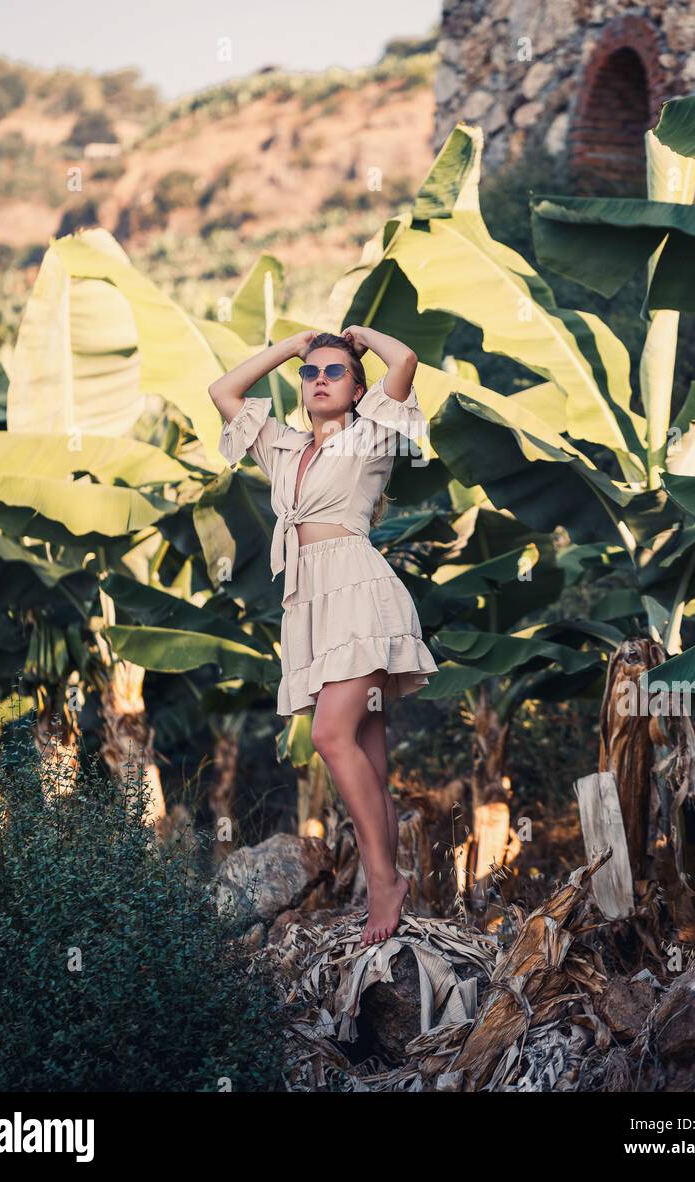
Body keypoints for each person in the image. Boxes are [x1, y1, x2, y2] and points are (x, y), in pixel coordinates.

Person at [209, 327, 439, 946]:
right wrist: (291, 346)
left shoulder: (372, 435)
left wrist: (360, 336)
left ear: (359, 387)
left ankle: (386, 884)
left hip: (360, 594)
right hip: (311, 604)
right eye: (311, 373)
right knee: (368, 752)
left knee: (332, 735)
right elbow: (223, 389)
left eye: (335, 372)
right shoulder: (283, 448)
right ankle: (387, 886)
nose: (319, 380)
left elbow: (407, 356)